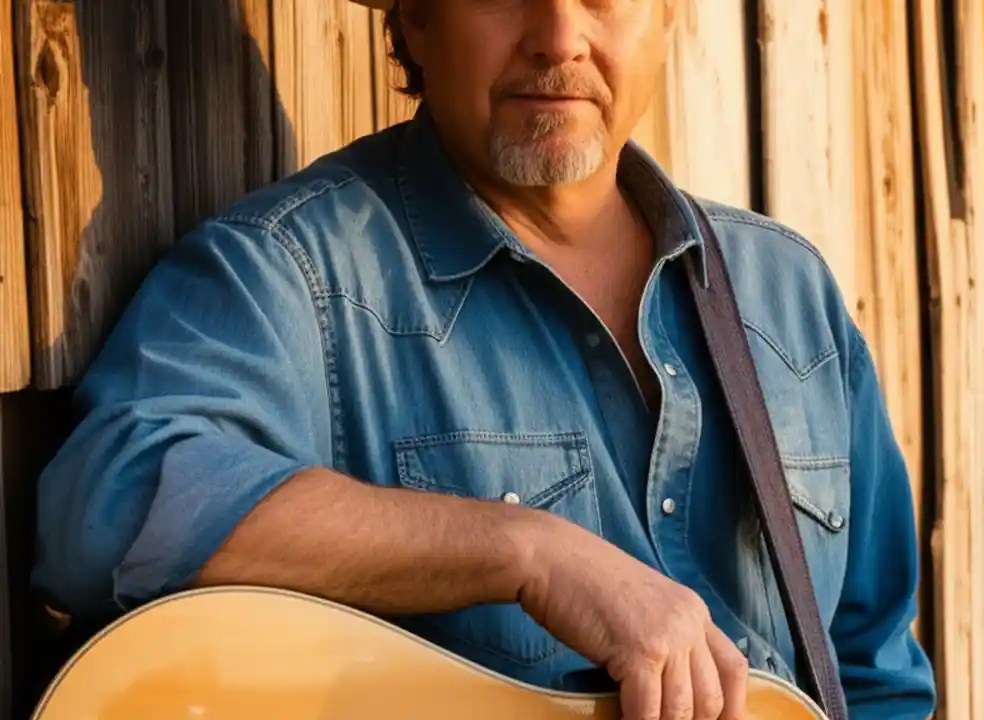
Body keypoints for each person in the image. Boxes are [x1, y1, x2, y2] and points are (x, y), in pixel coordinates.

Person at [32, 0, 936, 717]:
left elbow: (876, 674)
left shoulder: (787, 294)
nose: (557, 36)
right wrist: (528, 553)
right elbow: (104, 509)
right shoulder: (295, 273)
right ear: (414, 19)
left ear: (668, 14)